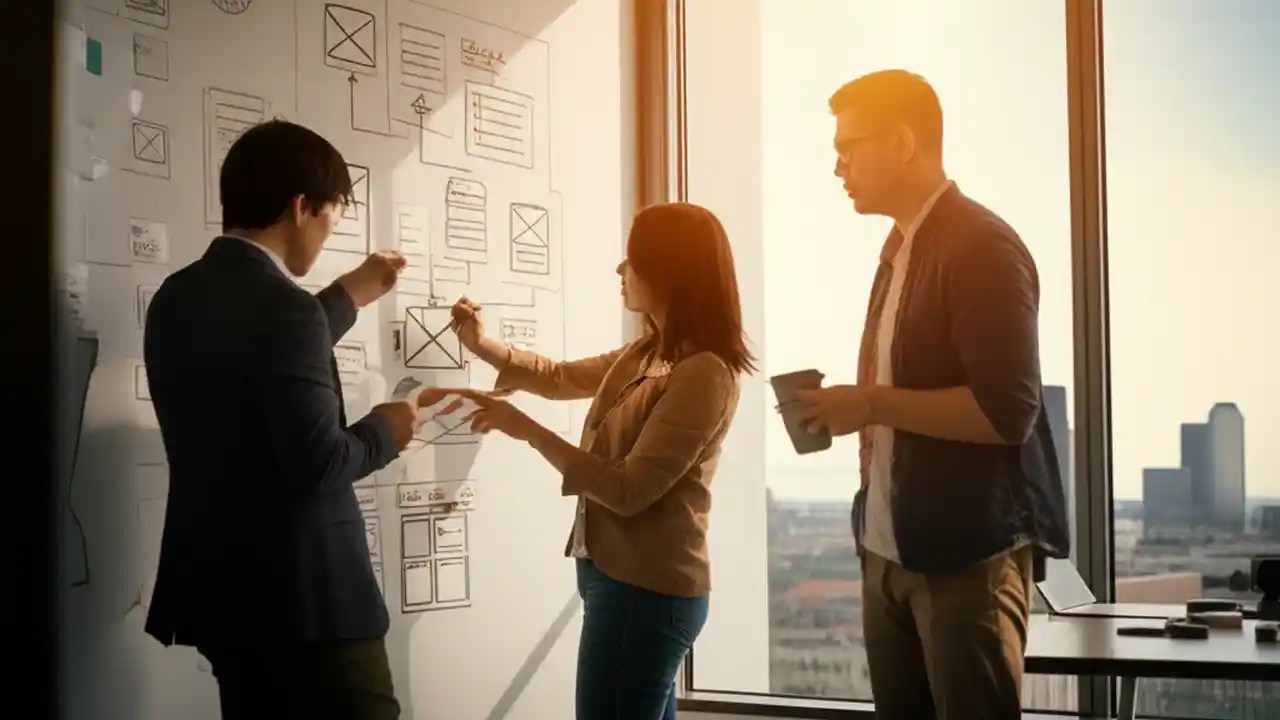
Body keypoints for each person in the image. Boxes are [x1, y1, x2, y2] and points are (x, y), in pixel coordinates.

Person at [143, 119, 449, 719]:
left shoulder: (175, 296)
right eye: (333, 214)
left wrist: (346, 295)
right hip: (309, 605)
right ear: (302, 206)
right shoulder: (284, 311)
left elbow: (255, 362)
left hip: (223, 597)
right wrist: (388, 428)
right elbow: (320, 461)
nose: (331, 230)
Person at [792, 70, 1070, 719]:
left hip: (965, 560)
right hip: (888, 553)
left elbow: (1007, 414)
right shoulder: (899, 249)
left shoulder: (981, 247)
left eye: (849, 146)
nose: (838, 167)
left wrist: (867, 404)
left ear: (902, 142)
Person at [448, 202, 755, 720]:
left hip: (647, 591)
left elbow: (628, 490)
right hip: (614, 578)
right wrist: (483, 345)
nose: (620, 270)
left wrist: (525, 431)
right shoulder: (650, 352)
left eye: (631, 259)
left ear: (668, 271)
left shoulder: (705, 374)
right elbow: (558, 377)